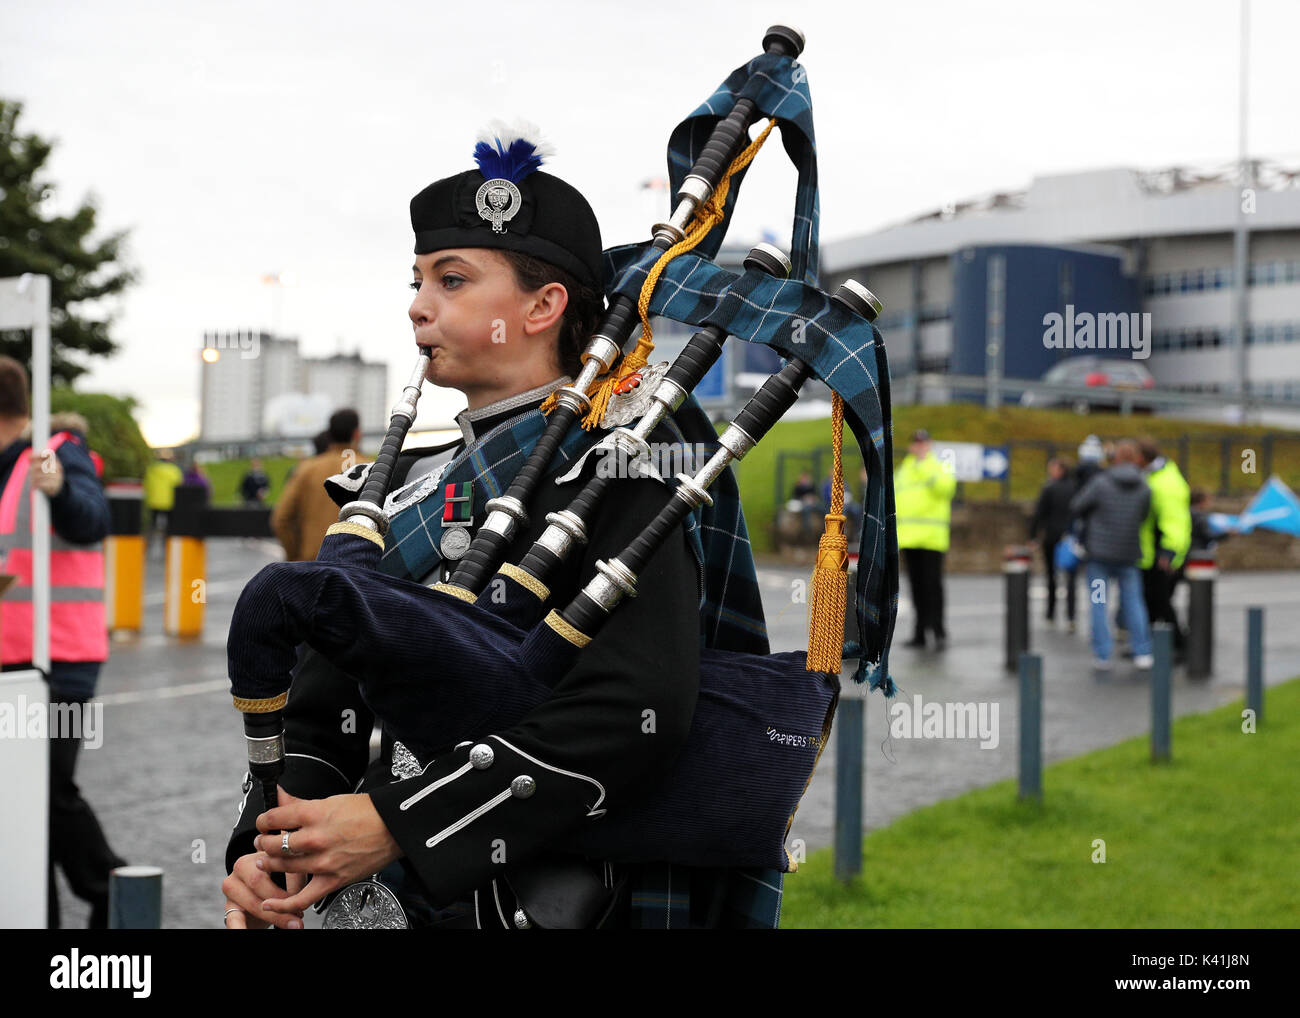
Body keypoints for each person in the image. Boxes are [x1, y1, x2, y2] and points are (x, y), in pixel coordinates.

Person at [223, 123, 776, 929]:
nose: (418, 307)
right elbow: (319, 712)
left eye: (450, 282)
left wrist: (397, 824)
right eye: (416, 281)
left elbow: (631, 713)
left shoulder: (615, 479)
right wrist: (268, 853)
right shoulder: (397, 492)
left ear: (544, 306)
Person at [0, 356, 124, 928]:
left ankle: (109, 885)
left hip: (62, 658)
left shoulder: (56, 450)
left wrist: (61, 492)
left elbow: (92, 519)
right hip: (11, 659)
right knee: (20, 801)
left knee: (45, 790)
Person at [1069, 439, 1153, 671]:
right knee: (1134, 603)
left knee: (1098, 603)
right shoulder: (1144, 486)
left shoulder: (1100, 483)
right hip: (1128, 553)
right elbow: (1143, 515)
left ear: (1115, 457)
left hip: (1099, 555)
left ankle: (1103, 654)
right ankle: (1142, 651)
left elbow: (1077, 506)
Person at [270, 409, 366, 562]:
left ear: (329, 435)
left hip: (311, 563)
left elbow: (281, 519)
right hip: (353, 569)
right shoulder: (369, 470)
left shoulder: (307, 469)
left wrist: (295, 557)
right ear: (356, 434)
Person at [894, 428, 956, 649]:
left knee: (933, 586)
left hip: (932, 539)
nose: (919, 447)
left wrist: (925, 468)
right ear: (912, 446)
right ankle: (919, 632)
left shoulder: (938, 467)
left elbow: (946, 489)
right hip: (909, 539)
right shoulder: (903, 470)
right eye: (916, 443)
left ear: (929, 445)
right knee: (916, 588)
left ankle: (938, 630)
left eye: (923, 443)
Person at [1137, 437, 1192, 658]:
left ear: (1141, 458)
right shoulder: (1156, 476)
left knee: (1160, 601)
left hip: (1162, 552)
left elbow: (1175, 521)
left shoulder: (1165, 482)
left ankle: (1179, 646)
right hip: (1152, 551)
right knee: (1152, 600)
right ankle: (1151, 644)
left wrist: (1168, 551)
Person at [1029, 457, 1079, 630]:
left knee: (1051, 576)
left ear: (1060, 470)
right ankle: (1071, 616)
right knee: (1071, 578)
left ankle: (1051, 613)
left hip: (1051, 537)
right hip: (1071, 539)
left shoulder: (1049, 488)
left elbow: (1039, 513)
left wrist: (1033, 536)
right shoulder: (1075, 488)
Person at [143, 450, 182, 554]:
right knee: (169, 526)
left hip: (154, 501)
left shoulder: (151, 469)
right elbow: (179, 485)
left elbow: (146, 484)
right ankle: (167, 546)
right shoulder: (174, 470)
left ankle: (147, 546)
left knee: (152, 524)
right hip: (169, 502)